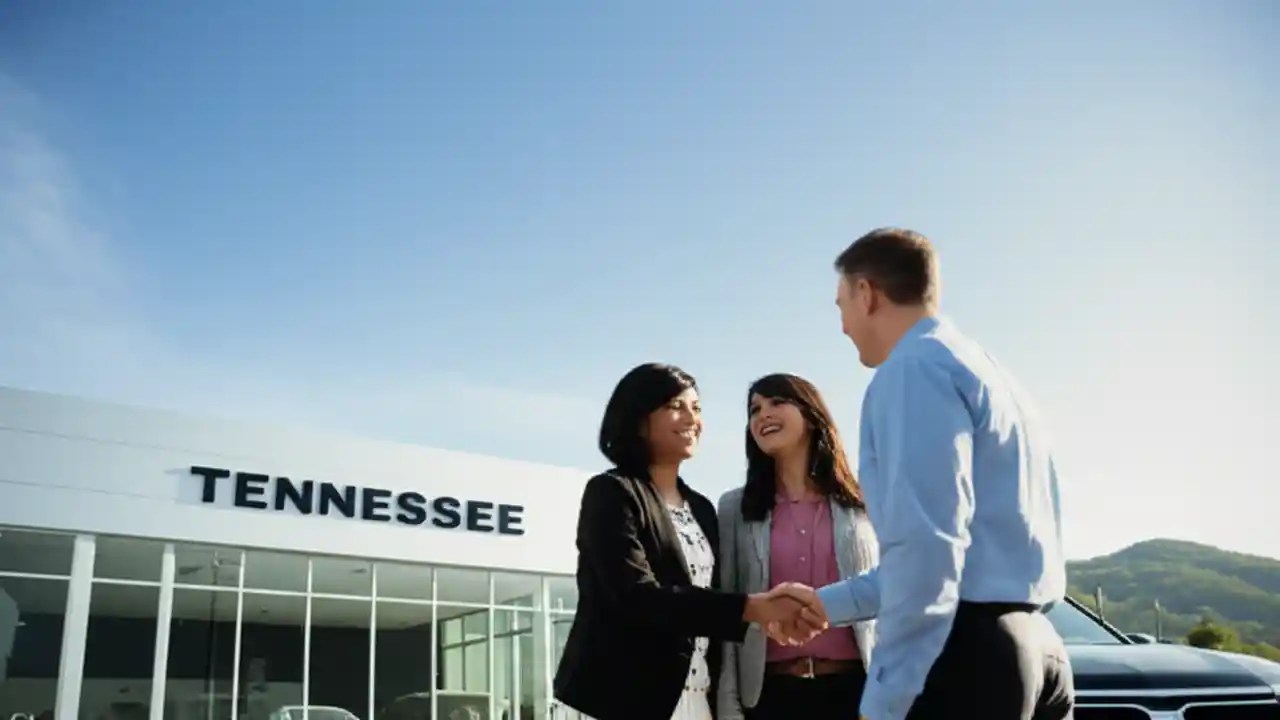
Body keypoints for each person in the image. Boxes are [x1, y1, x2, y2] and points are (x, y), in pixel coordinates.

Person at [776, 228, 1073, 720]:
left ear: (867, 293)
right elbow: (956, 553)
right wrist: (824, 604)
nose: (843, 326)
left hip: (967, 659)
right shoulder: (993, 375)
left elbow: (928, 550)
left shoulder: (911, 371)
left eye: (840, 305)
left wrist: (885, 701)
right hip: (1041, 649)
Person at [552, 363, 823, 720]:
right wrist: (752, 608)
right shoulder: (612, 492)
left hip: (697, 699)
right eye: (675, 406)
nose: (691, 418)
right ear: (637, 417)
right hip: (622, 700)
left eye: (696, 408)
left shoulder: (702, 508)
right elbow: (634, 596)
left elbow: (711, 602)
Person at [716, 373, 879, 720]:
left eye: (777, 402)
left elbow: (894, 597)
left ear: (811, 414)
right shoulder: (735, 509)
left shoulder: (867, 502)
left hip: (857, 692)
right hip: (770, 698)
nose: (763, 415)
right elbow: (730, 613)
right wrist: (729, 708)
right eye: (754, 409)